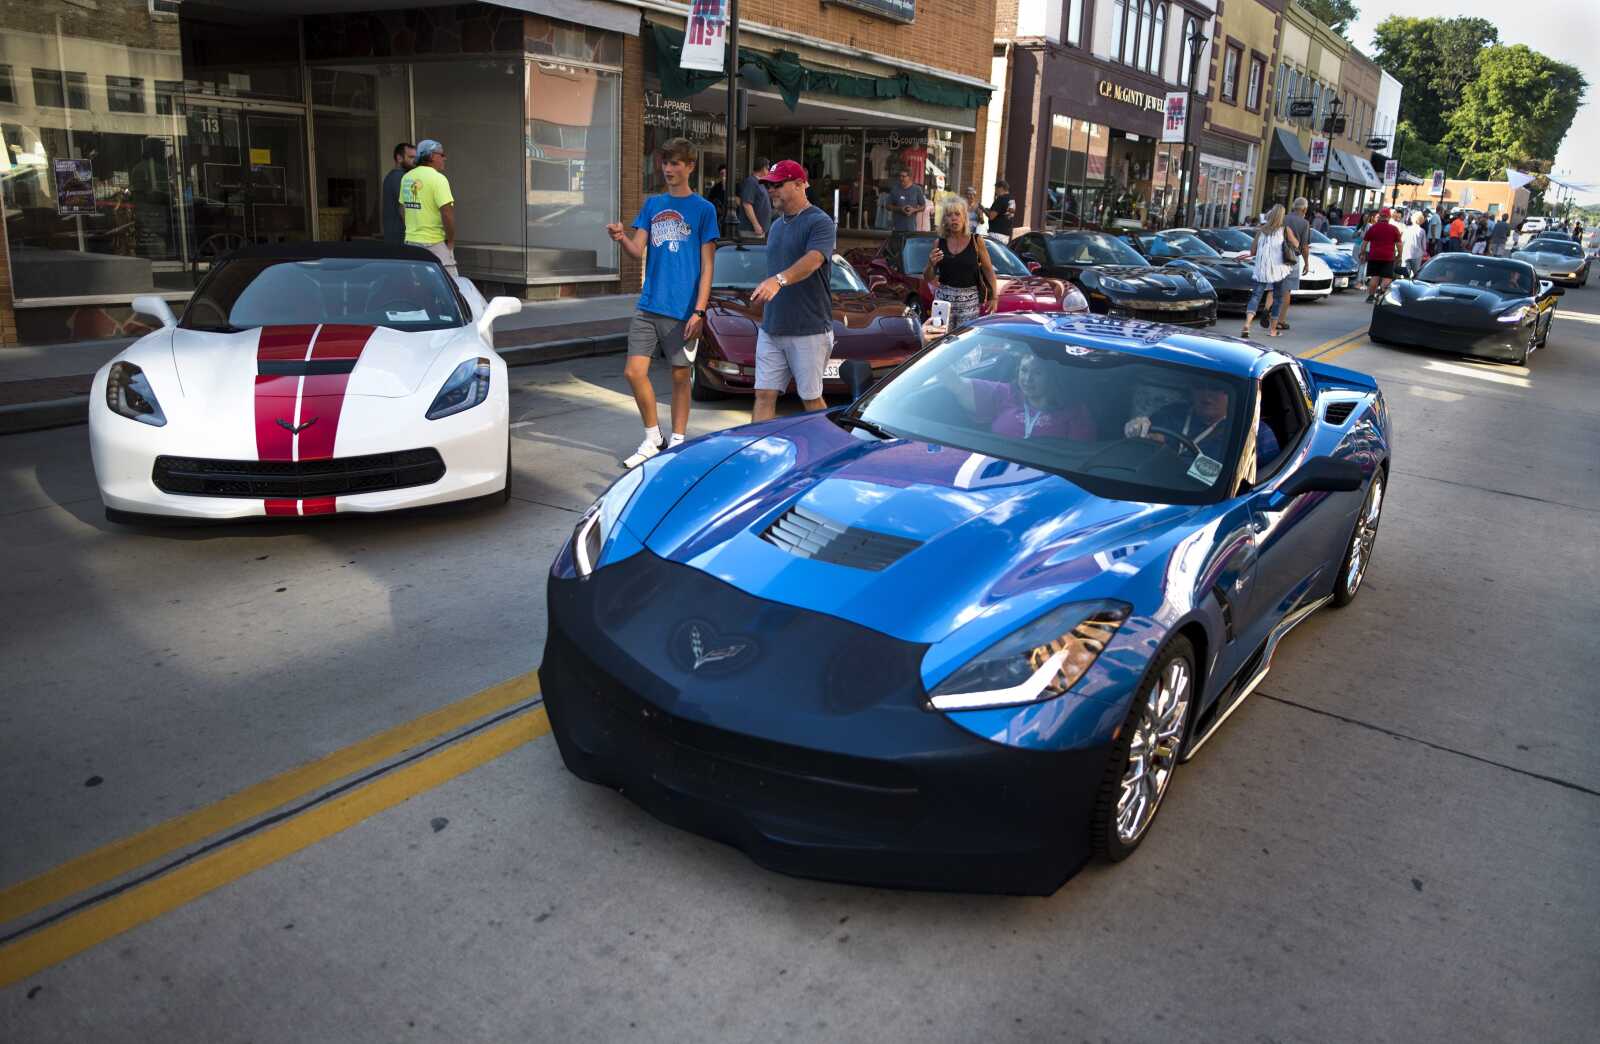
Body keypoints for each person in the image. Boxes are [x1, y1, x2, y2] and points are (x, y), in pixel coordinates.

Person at [605, 137, 720, 469]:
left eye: (675, 163)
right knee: (633, 371)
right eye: (665, 163)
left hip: (683, 310)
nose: (668, 169)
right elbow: (636, 250)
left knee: (681, 377)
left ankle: (680, 443)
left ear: (690, 167)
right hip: (649, 304)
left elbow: (708, 265)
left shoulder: (703, 210)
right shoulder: (653, 205)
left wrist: (700, 309)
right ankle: (654, 438)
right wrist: (621, 237)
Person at [748, 160, 836, 423]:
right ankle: (759, 454)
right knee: (763, 394)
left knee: (810, 399)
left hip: (808, 328)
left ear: (799, 185)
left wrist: (779, 280)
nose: (771, 190)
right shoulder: (775, 227)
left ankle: (826, 450)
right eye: (768, 185)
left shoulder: (820, 222)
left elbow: (814, 260)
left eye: (777, 184)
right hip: (772, 327)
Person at [1124, 379, 1279, 473]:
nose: (1207, 394)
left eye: (1217, 388)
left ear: (1233, 395)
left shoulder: (1255, 432)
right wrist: (1137, 433)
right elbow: (1138, 453)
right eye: (1200, 386)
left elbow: (1268, 482)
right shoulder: (1170, 414)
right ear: (1191, 390)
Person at [937, 352, 1095, 441]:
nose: (1027, 379)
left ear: (1053, 377)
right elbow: (954, 384)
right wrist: (932, 343)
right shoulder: (1006, 394)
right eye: (1024, 370)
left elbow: (1076, 460)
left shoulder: (1075, 412)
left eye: (1037, 373)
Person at [922, 205, 998, 332]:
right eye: (949, 215)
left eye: (957, 214)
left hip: (969, 302)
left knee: (965, 343)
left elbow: (988, 270)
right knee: (938, 341)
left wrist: (993, 296)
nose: (953, 219)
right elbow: (928, 278)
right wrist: (930, 264)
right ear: (945, 220)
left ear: (964, 218)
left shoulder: (976, 241)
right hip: (943, 301)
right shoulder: (939, 243)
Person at [401, 139, 457, 275]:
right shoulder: (438, 179)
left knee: (417, 288)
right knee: (451, 287)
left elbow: (403, 210)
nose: (445, 158)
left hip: (411, 243)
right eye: (441, 155)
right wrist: (450, 241)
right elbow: (447, 214)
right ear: (431, 156)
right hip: (434, 243)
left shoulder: (407, 178)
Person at [1240, 204, 1296, 339]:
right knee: (1277, 298)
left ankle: (1247, 325)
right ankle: (1272, 330)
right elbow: (1296, 244)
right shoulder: (1285, 230)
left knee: (1256, 296)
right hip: (1279, 268)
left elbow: (1253, 251)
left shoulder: (1261, 230)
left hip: (1262, 268)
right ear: (1282, 216)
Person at [1278, 197, 1312, 333]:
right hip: (1292, 258)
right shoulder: (1304, 223)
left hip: (1277, 255)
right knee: (1287, 290)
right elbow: (1304, 246)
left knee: (1274, 287)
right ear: (1304, 209)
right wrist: (1307, 263)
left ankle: (1269, 312)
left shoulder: (1282, 218)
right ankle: (1281, 320)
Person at [1361, 206, 1404, 301]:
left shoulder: (1373, 228)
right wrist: (1399, 256)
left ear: (1380, 216)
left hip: (1374, 256)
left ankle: (1371, 296)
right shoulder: (1394, 229)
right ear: (1389, 217)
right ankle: (1381, 293)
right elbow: (1399, 245)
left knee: (1374, 276)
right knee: (1387, 277)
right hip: (1388, 257)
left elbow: (1364, 243)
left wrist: (1362, 253)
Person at [380, 142, 416, 245]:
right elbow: (404, 207)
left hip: (393, 236)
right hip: (401, 237)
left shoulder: (390, 177)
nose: (414, 161)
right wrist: (413, 234)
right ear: (399, 158)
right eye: (411, 157)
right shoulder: (401, 178)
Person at [738, 157, 772, 239]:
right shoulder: (751, 181)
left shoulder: (759, 182)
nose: (769, 171)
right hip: (751, 231)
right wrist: (756, 225)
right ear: (763, 168)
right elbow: (747, 204)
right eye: (768, 168)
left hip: (758, 231)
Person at [885, 169, 926, 233]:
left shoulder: (917, 189)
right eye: (900, 176)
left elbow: (923, 206)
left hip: (911, 228)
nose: (901, 178)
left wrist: (913, 210)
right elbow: (887, 206)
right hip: (896, 228)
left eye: (903, 176)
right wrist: (900, 209)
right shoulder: (895, 189)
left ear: (910, 177)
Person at [986, 179, 1016, 244]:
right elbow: (1003, 212)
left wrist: (983, 210)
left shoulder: (1000, 199)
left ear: (1001, 188)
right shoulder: (1012, 199)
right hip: (1006, 234)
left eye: (996, 189)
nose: (996, 191)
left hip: (996, 233)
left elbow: (991, 216)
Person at [1399, 211, 1427, 278]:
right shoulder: (1422, 231)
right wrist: (1423, 253)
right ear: (1421, 220)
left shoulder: (1406, 229)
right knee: (1416, 274)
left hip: (1406, 253)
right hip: (1417, 255)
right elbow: (1424, 246)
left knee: (1405, 274)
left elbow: (1402, 241)